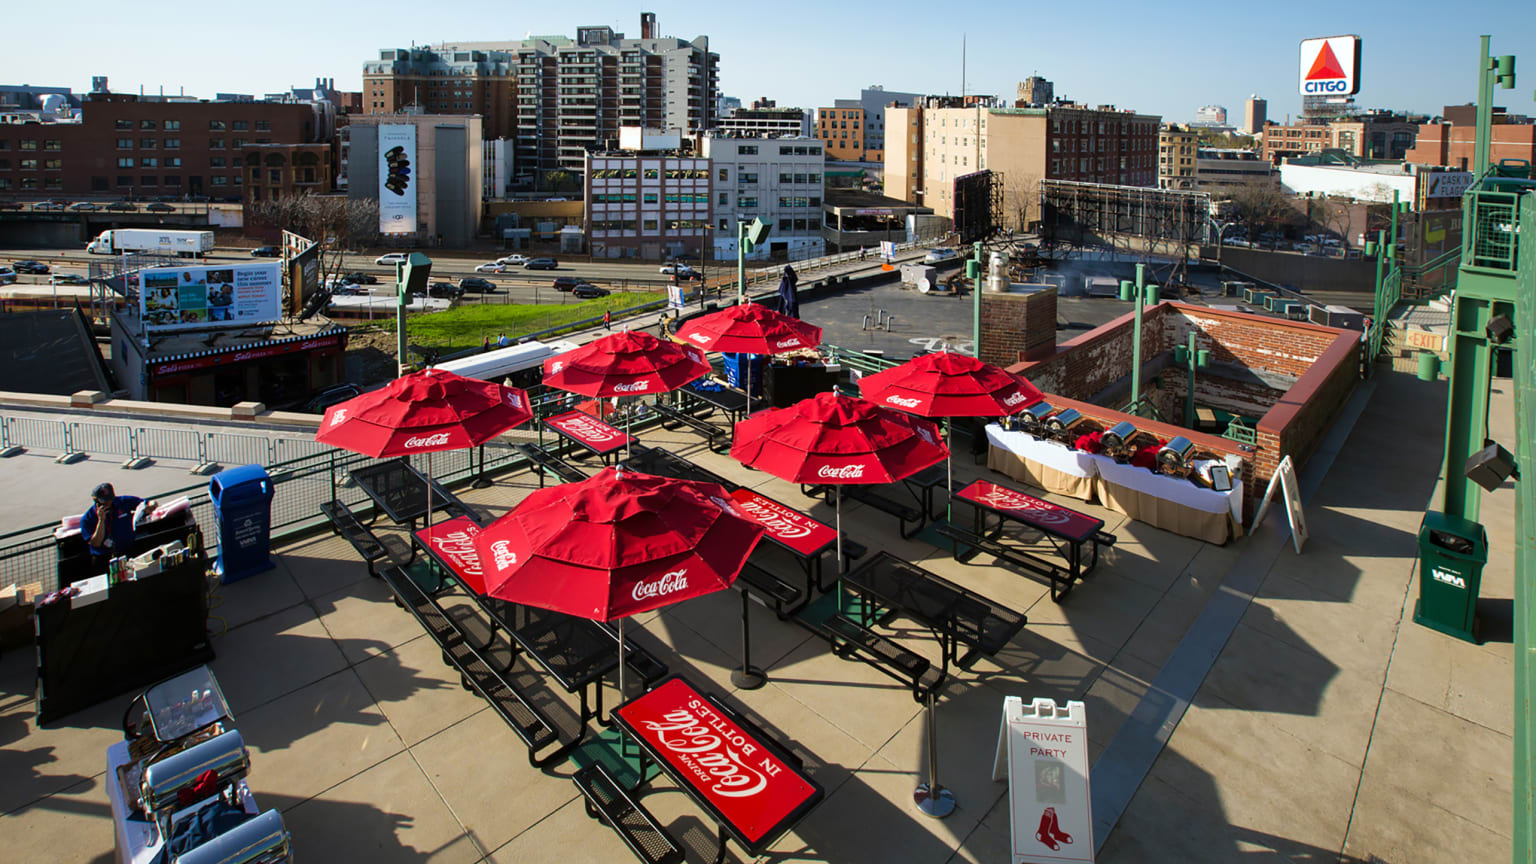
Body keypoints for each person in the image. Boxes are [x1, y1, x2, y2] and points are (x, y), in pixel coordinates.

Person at [80, 483, 144, 563]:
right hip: (105, 556)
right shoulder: (88, 518)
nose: (108, 503)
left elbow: (144, 503)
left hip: (127, 550)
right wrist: (101, 520)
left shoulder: (121, 502)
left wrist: (150, 505)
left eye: (110, 499)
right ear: (96, 500)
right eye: (105, 501)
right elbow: (96, 543)